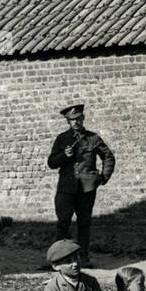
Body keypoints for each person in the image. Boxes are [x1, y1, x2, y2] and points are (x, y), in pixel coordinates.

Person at [47, 104, 115, 267]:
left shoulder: (93, 138)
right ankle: (57, 259)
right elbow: (51, 163)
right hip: (66, 188)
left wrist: (102, 177)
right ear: (67, 121)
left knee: (84, 223)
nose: (75, 122)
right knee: (63, 222)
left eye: (78, 119)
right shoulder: (62, 139)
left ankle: (83, 258)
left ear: (83, 118)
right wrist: (64, 155)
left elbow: (108, 157)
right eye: (72, 120)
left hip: (86, 189)